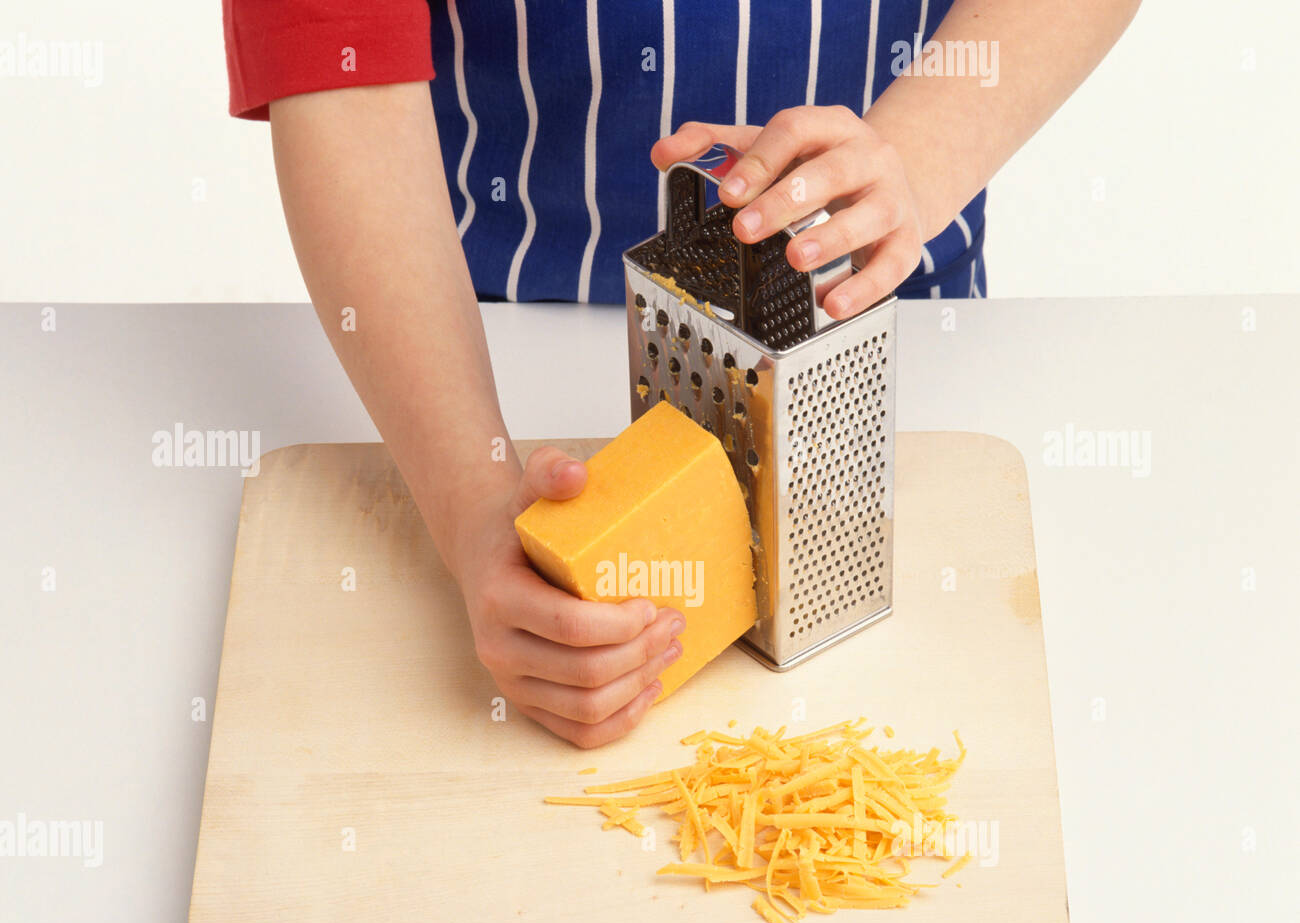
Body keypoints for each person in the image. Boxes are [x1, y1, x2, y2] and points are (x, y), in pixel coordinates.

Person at [223, 0, 1140, 746]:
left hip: (900, 314)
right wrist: (471, 506)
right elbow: (332, 50)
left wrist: (905, 166)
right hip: (485, 330)